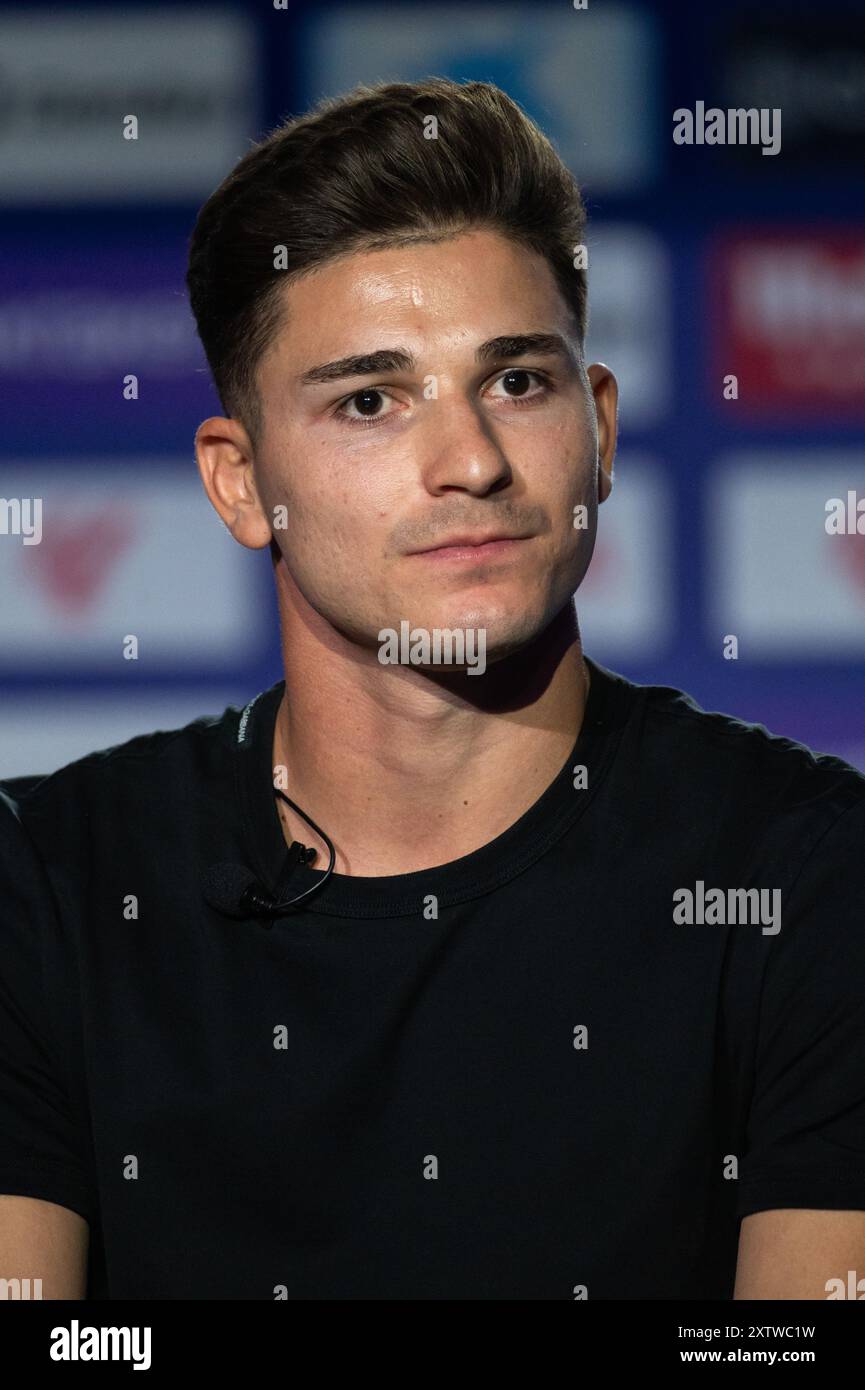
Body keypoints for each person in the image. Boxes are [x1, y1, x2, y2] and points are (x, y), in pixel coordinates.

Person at [1, 77, 864, 1301]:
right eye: (370, 400)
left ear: (601, 430)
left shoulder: (812, 877)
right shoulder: (45, 884)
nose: (471, 461)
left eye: (516, 382)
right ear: (240, 483)